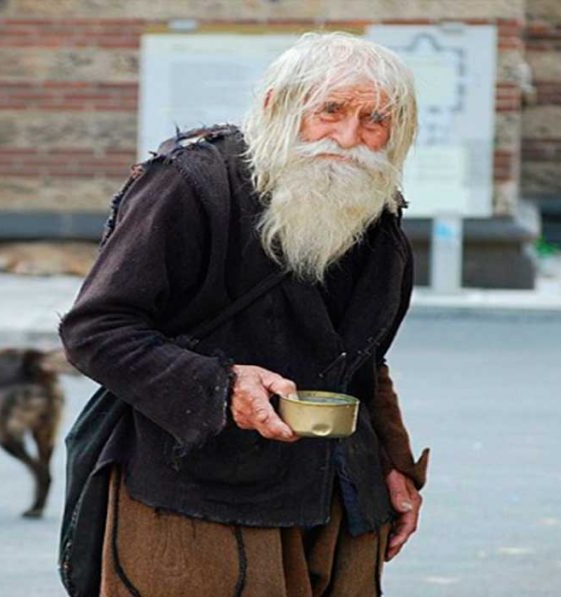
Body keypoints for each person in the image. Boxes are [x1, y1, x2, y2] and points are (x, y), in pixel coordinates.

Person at [58, 31, 430, 596]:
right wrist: (221, 384)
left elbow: (364, 358)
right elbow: (97, 330)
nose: (349, 138)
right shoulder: (190, 184)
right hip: (195, 500)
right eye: (328, 110)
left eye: (374, 120)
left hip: (335, 496)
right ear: (275, 106)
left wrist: (392, 463)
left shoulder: (373, 207)